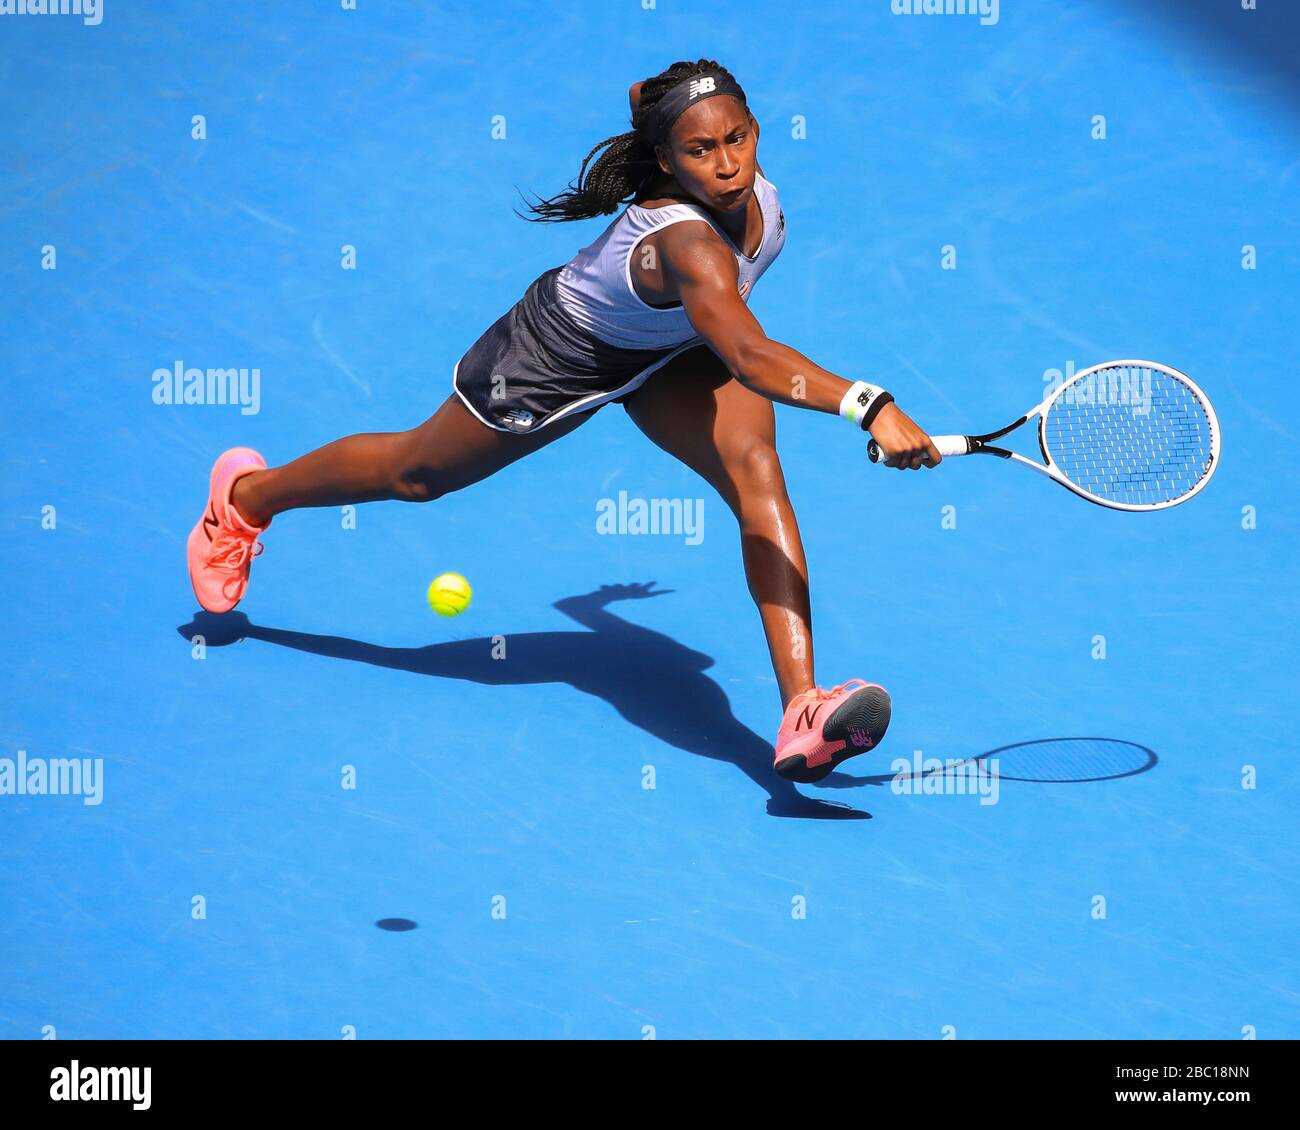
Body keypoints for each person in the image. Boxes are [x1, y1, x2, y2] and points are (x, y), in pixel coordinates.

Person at [187, 58, 940, 783]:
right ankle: (247, 499)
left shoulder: (752, 196)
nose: (726, 164)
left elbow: (651, 105)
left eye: (736, 138)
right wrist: (868, 405)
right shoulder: (687, 244)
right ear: (667, 161)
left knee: (757, 473)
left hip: (673, 349)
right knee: (417, 475)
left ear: (753, 125)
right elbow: (746, 353)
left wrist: (600, 609)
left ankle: (803, 709)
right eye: (699, 149)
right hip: (559, 354)